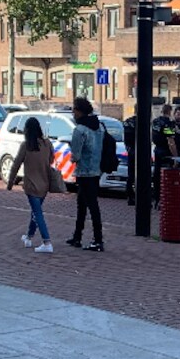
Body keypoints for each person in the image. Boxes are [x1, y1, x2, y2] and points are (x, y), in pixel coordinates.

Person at [5, 117, 55, 253]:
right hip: (44, 183)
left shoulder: (26, 145)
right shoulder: (47, 143)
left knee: (37, 213)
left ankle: (47, 241)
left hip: (31, 185)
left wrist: (10, 182)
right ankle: (29, 237)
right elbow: (51, 159)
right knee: (35, 211)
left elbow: (16, 164)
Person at [68, 97, 104, 252]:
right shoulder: (99, 126)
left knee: (87, 206)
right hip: (96, 170)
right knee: (85, 204)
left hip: (84, 172)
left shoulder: (80, 130)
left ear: (78, 111)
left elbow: (75, 155)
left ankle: (97, 240)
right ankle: (77, 236)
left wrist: (71, 156)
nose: (72, 113)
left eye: (73, 109)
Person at [123, 105, 138, 206]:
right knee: (141, 175)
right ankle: (137, 196)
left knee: (131, 175)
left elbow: (126, 137)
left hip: (130, 150)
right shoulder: (142, 121)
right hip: (139, 151)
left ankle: (130, 197)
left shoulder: (127, 122)